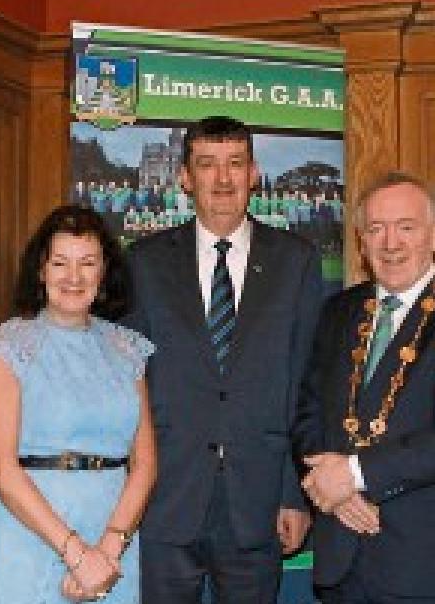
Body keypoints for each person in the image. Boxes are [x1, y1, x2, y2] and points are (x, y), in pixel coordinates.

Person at [124, 115, 323, 603]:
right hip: (164, 500)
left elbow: (304, 384)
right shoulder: (144, 263)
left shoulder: (295, 261)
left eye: (235, 164)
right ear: (185, 178)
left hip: (259, 502)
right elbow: (129, 385)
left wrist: (292, 493)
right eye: (207, 165)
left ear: (254, 173)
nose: (223, 178)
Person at [294, 171, 435, 604]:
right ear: (361, 240)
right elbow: (306, 411)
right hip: (344, 561)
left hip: (434, 568)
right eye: (376, 229)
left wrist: (354, 475)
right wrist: (335, 493)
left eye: (406, 227)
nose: (391, 243)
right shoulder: (337, 311)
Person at [0, 205, 156, 603]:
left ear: (104, 271)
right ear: (41, 271)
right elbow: (0, 467)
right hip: (29, 537)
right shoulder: (8, 346)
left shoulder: (128, 349)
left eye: (87, 263)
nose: (73, 277)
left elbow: (144, 464)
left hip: (113, 543)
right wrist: (75, 553)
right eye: (60, 263)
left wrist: (110, 549)